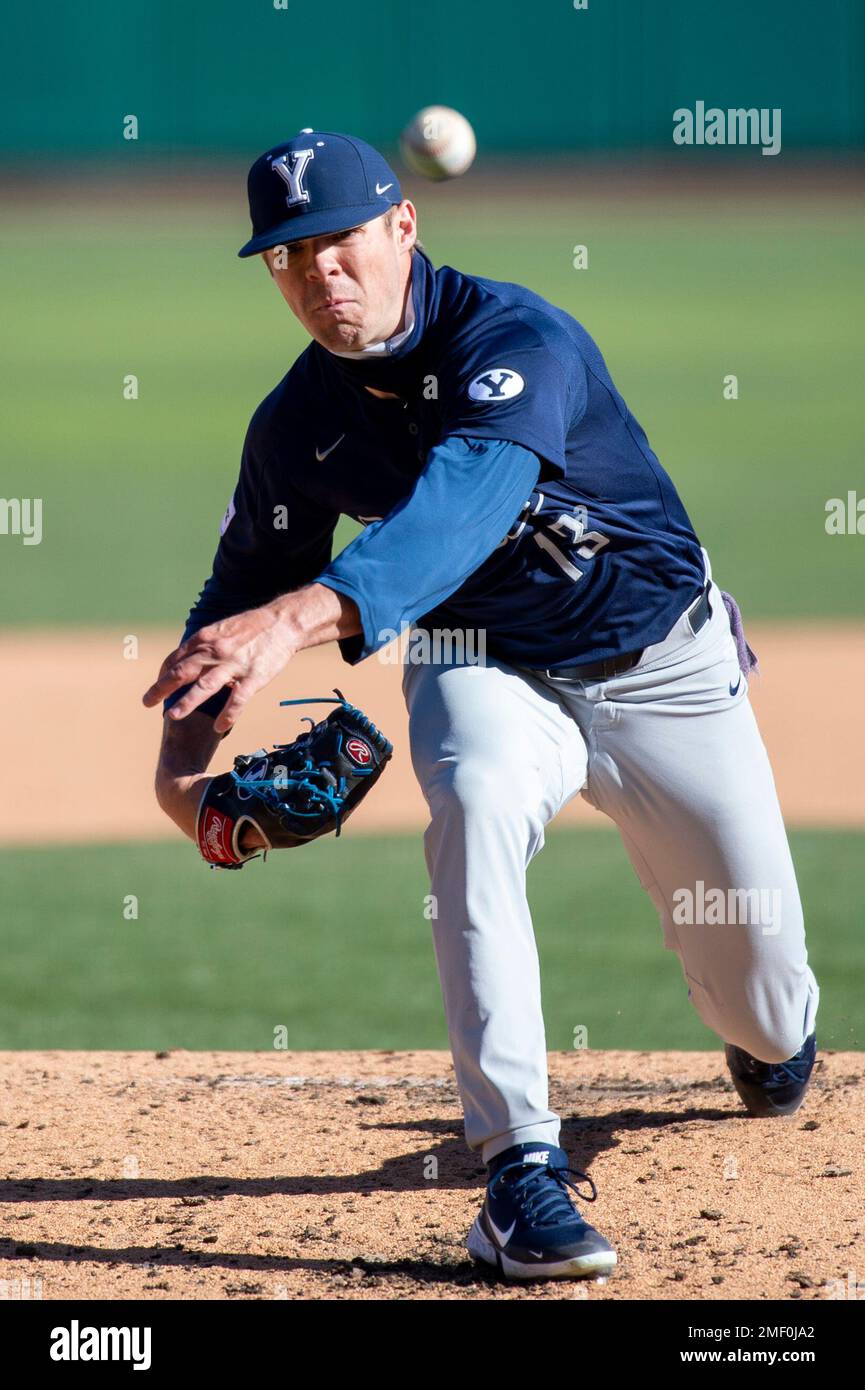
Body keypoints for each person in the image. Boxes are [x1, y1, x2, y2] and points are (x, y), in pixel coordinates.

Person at [143, 130, 819, 1282]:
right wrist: (178, 786)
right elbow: (232, 612)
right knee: (469, 799)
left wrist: (302, 616)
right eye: (288, 257)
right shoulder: (298, 423)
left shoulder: (519, 338)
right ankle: (519, 1171)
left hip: (663, 667)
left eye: (340, 240)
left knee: (764, 1011)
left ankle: (766, 1042)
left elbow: (467, 502)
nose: (320, 276)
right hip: (486, 663)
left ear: (403, 226)